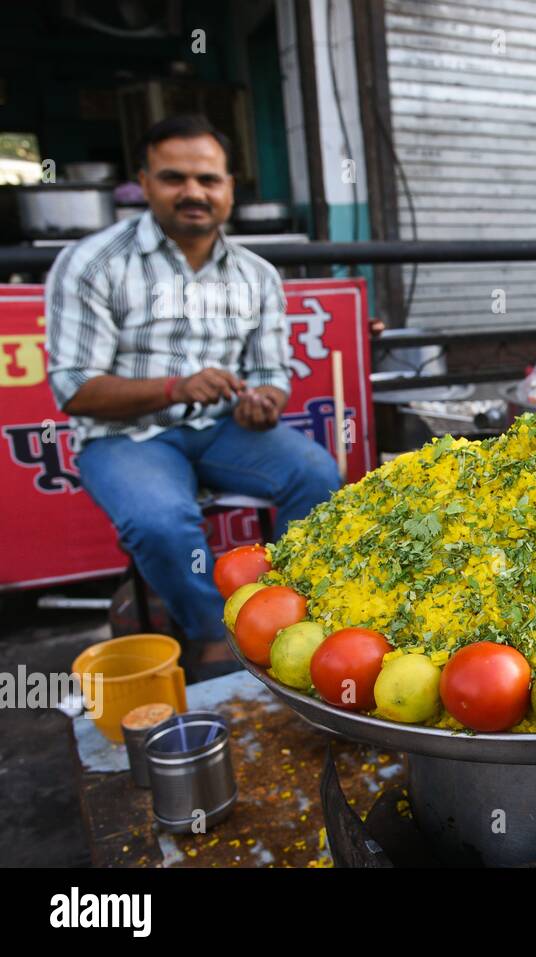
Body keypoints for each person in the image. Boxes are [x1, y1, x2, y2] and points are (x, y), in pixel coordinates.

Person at [45, 115, 340, 663]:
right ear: (143, 183)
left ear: (230, 188)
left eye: (209, 180)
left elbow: (273, 374)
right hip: (124, 438)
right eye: (173, 178)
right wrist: (176, 387)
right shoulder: (92, 262)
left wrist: (264, 403)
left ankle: (291, 613)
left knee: (317, 474)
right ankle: (217, 640)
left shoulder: (257, 274)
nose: (193, 193)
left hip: (224, 430)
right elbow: (74, 388)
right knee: (159, 521)